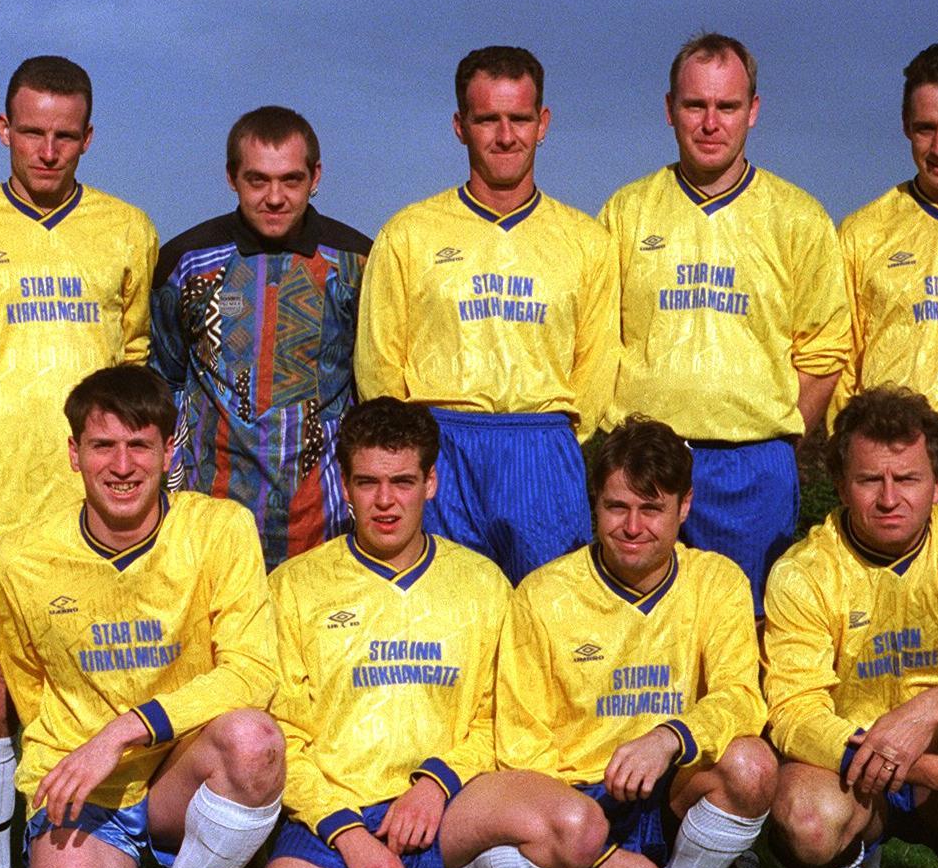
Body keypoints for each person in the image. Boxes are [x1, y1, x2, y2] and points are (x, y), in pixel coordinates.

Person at [241, 398, 607, 868]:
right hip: (339, 815)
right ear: (346, 484)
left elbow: (502, 719)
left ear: (431, 482)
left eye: (403, 482)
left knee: (575, 826)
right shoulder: (294, 587)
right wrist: (348, 835)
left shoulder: (483, 583)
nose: (386, 501)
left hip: (447, 810)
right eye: (369, 482)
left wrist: (437, 782)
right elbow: (285, 735)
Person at [0, 56, 158, 868]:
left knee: (101, 680)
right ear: (4, 130)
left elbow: (132, 358)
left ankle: (101, 858)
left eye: (66, 135)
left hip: (101, 506)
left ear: (88, 138)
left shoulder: (128, 229)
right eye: (32, 131)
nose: (48, 149)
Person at [0, 365, 281, 868]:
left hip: (182, 773)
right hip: (86, 787)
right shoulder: (23, 556)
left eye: (139, 445)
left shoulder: (220, 529)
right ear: (74, 454)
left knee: (255, 742)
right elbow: (31, 689)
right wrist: (77, 755)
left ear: (168, 450)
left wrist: (126, 730)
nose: (122, 465)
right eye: (103, 445)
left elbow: (254, 669)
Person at [496, 416, 777, 868]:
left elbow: (741, 696)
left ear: (685, 506)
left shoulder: (717, 581)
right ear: (593, 504)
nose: (631, 527)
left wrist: (669, 736)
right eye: (616, 507)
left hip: (672, 787)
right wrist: (597, 852)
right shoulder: (543, 594)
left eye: (651, 510)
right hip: (578, 805)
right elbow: (521, 749)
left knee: (751, 766)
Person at [600, 32, 850, 615]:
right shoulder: (626, 212)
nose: (711, 122)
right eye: (695, 105)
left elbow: (825, 348)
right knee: (644, 628)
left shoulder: (798, 217)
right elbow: (597, 339)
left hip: (752, 463)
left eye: (727, 106)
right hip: (645, 462)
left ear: (753, 111)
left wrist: (781, 444)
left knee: (751, 626)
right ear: (670, 109)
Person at [356, 45, 619, 586]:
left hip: (542, 445)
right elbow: (379, 365)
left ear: (542, 123)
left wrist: (564, 444)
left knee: (548, 618)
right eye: (487, 119)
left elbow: (596, 367)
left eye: (519, 118)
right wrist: (411, 457)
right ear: (460, 126)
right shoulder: (409, 233)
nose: (505, 136)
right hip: (439, 444)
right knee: (442, 618)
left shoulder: (587, 242)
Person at [764, 386, 938, 868]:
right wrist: (927, 766)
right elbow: (792, 713)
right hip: (850, 771)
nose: (889, 498)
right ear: (840, 486)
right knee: (805, 820)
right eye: (870, 480)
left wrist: (923, 716)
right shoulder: (803, 572)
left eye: (908, 479)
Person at [151, 106, 373, 570]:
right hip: (210, 519)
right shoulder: (185, 261)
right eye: (258, 180)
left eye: (291, 180)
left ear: (316, 176)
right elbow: (165, 383)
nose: (275, 197)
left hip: (326, 521)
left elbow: (372, 387)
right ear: (232, 177)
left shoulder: (358, 262)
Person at [839, 45, 938, 518]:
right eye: (926, 128)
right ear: (906, 126)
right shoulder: (864, 232)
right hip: (897, 465)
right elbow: (844, 364)